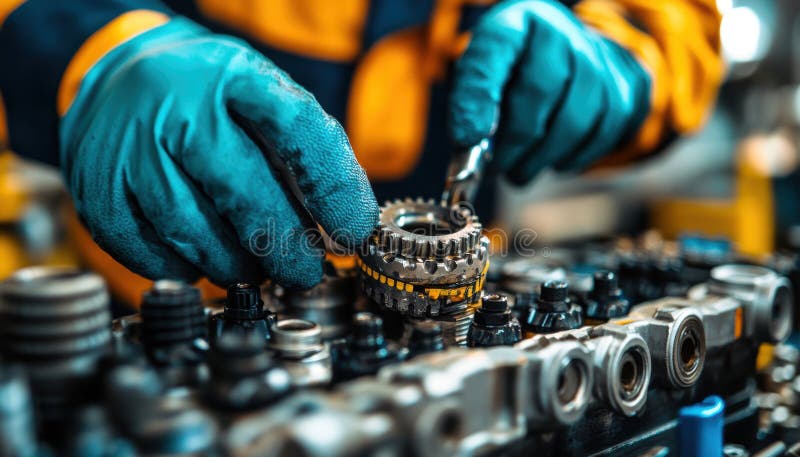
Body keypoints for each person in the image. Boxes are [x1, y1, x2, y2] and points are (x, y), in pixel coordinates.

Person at [0, 0, 724, 291]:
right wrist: (88, 49)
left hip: (456, 316)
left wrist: (626, 53)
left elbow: (683, 20)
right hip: (158, 301)